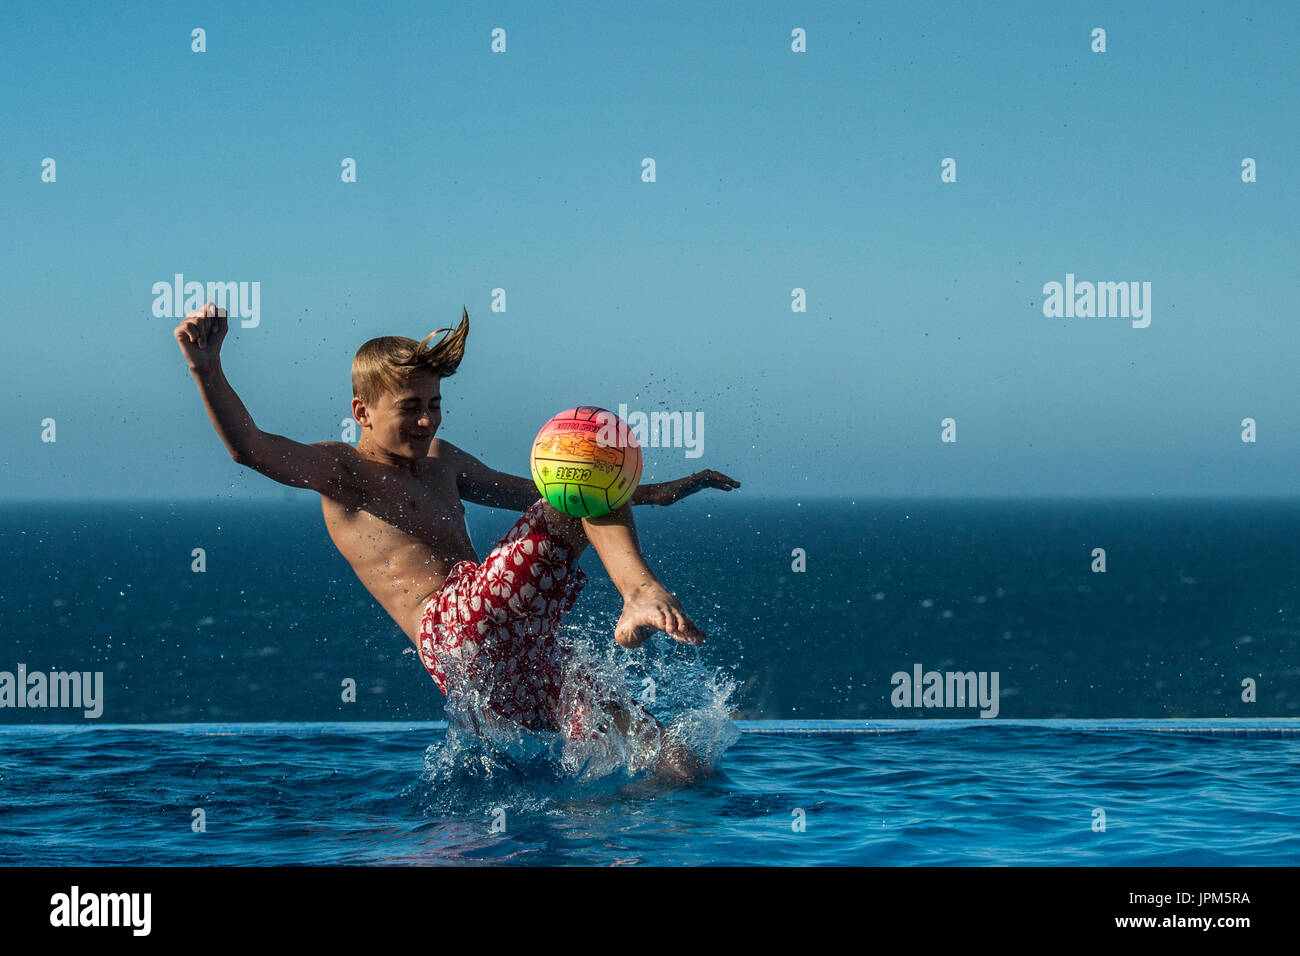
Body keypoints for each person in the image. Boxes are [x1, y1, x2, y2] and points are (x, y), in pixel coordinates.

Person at [174, 303, 740, 780]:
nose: (427, 422)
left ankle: (652, 833)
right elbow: (252, 449)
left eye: (435, 406)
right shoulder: (344, 472)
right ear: (361, 413)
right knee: (579, 472)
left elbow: (536, 492)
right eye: (410, 409)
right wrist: (207, 367)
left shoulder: (443, 462)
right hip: (451, 630)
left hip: (509, 667)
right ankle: (639, 592)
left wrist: (652, 493)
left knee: (668, 757)